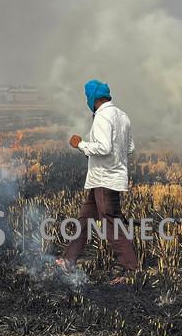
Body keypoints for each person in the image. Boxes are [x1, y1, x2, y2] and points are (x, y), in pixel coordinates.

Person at [58, 79, 140, 283]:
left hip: (105, 179)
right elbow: (130, 148)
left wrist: (81, 145)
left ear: (93, 97)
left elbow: (103, 148)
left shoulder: (102, 117)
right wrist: (116, 159)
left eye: (88, 97)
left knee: (111, 223)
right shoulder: (122, 115)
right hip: (103, 179)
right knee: (85, 219)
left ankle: (131, 269)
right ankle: (68, 260)